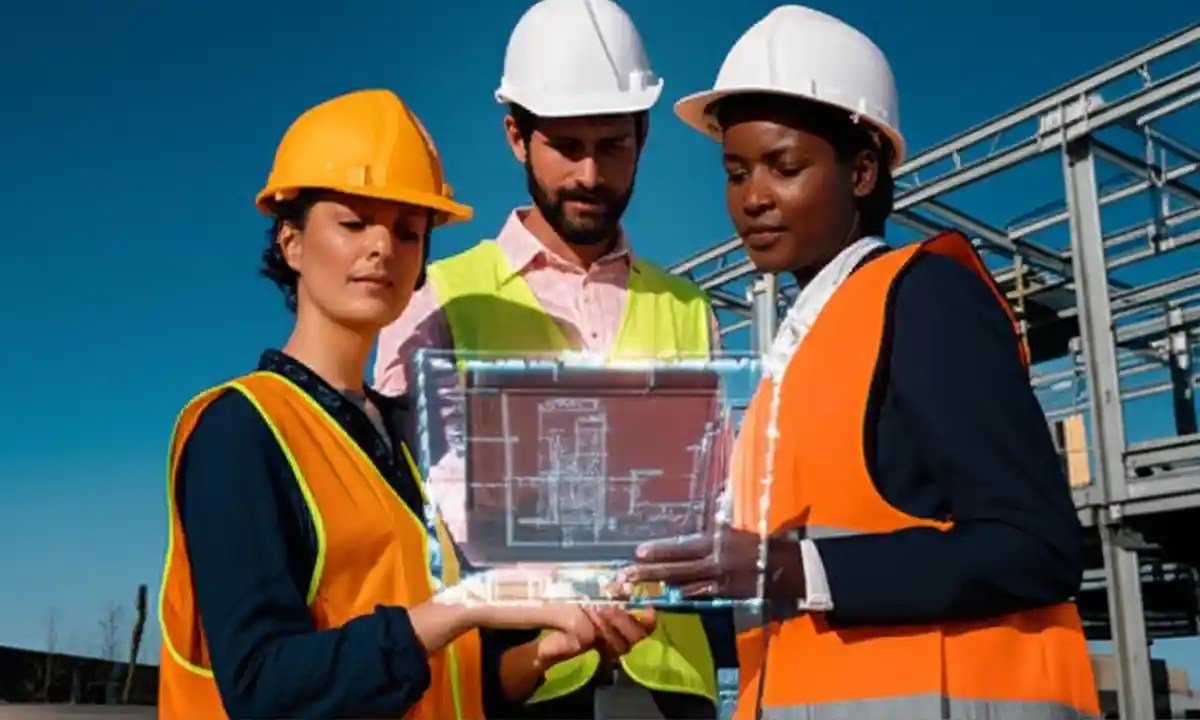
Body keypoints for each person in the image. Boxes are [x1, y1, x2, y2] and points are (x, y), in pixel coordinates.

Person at [616, 6, 1101, 720]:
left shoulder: (924, 296)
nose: (753, 198)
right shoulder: (803, 353)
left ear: (864, 170)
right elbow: (799, 605)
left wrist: (790, 566)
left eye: (785, 167)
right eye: (736, 171)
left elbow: (1035, 545)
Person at [156, 88, 658, 720]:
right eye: (353, 221)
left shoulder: (406, 445)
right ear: (291, 241)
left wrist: (542, 656)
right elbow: (262, 687)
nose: (382, 248)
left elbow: (440, 679)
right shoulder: (239, 430)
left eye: (407, 231)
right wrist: (463, 606)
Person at [374, 2, 730, 717]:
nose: (591, 173)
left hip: (672, 682)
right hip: (520, 677)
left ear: (644, 135)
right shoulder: (438, 299)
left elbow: (717, 492)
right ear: (516, 137)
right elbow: (413, 514)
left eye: (613, 145)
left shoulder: (689, 308)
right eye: (567, 146)